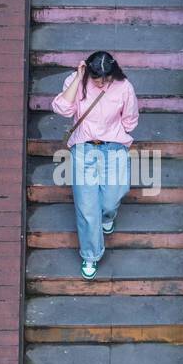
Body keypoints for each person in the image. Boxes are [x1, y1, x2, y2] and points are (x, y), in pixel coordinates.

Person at [51, 51, 140, 280]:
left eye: (106, 77)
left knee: (112, 197)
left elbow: (130, 121)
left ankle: (108, 217)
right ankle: (91, 255)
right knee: (87, 207)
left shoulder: (124, 87)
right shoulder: (77, 82)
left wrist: (115, 133)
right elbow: (61, 108)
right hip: (84, 147)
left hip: (114, 146)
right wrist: (79, 76)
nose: (102, 82)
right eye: (97, 78)